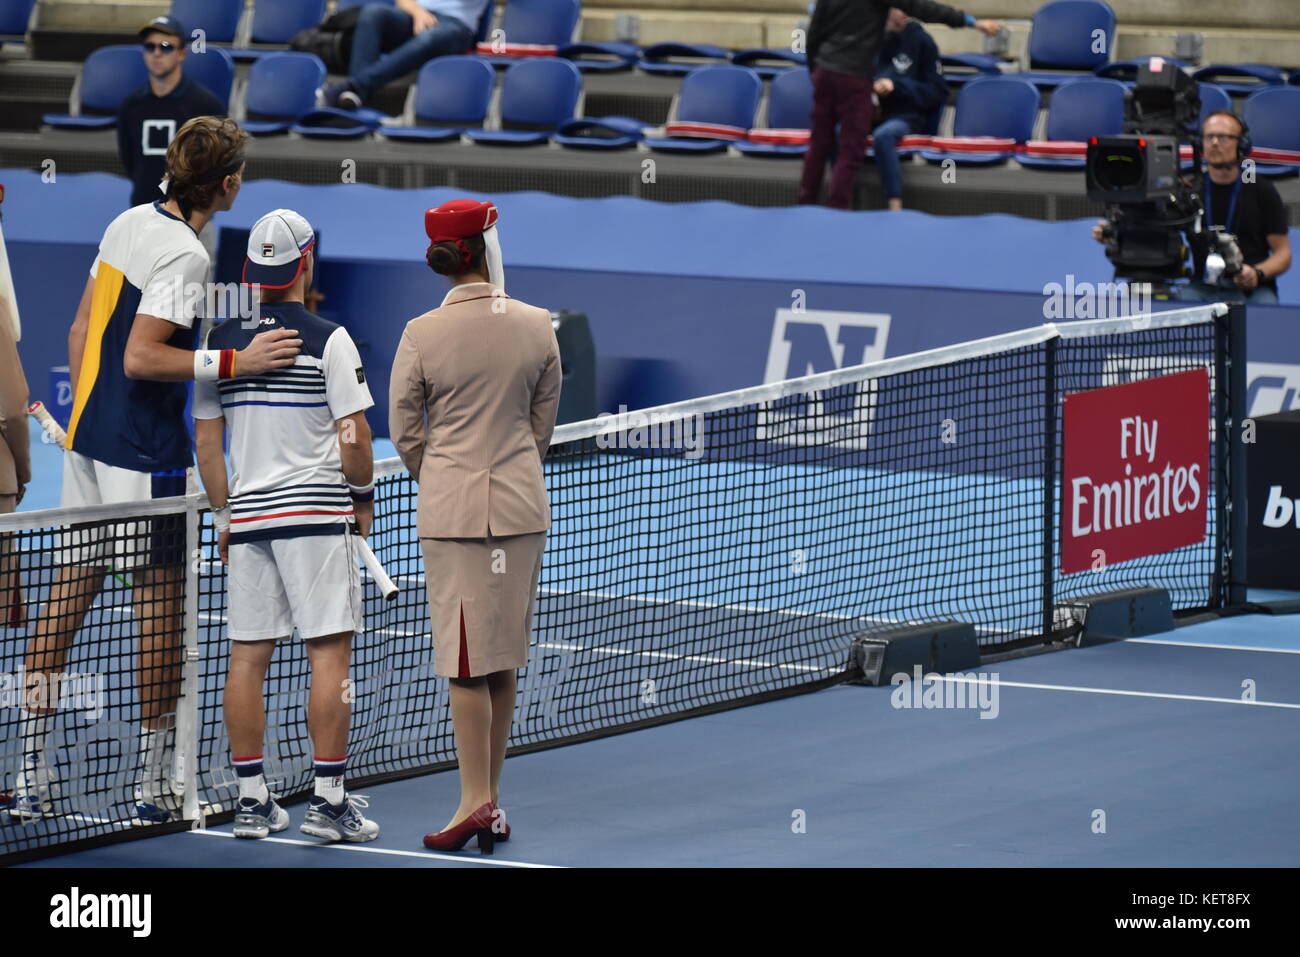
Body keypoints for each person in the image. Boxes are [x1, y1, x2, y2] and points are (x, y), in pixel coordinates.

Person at [13, 117, 301, 824]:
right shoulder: (187, 255)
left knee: (65, 602)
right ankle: (155, 784)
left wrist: (87, 420)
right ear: (228, 183)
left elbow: (84, 331)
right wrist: (235, 360)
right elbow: (143, 356)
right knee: (159, 612)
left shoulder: (128, 222)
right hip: (143, 457)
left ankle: (29, 774)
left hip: (87, 444)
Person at [193, 209, 380, 843]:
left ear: (254, 273)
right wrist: (361, 498)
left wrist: (223, 513)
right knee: (328, 652)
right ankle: (327, 804)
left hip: (246, 520)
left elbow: (207, 444)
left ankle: (251, 802)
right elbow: (354, 437)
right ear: (306, 265)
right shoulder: (332, 339)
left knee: (247, 657)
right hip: (317, 521)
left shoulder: (220, 345)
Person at [389, 199, 560, 854]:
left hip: (454, 515)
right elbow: (541, 423)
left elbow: (406, 431)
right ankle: (490, 800)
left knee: (466, 661)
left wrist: (443, 475)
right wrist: (510, 465)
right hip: (520, 508)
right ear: (484, 249)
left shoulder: (419, 334)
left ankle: (473, 802)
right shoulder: (537, 323)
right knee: (503, 655)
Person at [801, 0, 1001, 210]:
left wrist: (815, 71)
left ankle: (807, 205)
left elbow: (814, 35)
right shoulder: (881, 30)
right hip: (854, 76)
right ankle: (837, 209)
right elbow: (923, 8)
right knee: (848, 145)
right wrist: (971, 22)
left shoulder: (919, 40)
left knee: (820, 142)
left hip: (828, 71)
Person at [1090, 111, 1292, 303]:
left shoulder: (1261, 190)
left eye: (1223, 137)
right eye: (1209, 137)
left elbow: (1283, 254)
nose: (1214, 143)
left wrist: (1257, 273)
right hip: (1201, 287)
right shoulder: (1188, 190)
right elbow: (1154, 224)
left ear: (1242, 145)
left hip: (1252, 289)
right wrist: (1114, 231)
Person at [118, 15, 226, 209]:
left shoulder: (206, 106)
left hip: (192, 215)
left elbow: (218, 164)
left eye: (166, 46)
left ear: (182, 54)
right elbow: (129, 161)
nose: (157, 53)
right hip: (142, 210)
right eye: (150, 47)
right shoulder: (131, 105)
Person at [321, 0, 488, 109]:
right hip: (416, 16)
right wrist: (418, 13)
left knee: (428, 38)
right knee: (372, 12)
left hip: (457, 26)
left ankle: (355, 87)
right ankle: (353, 95)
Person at [872, 8, 948, 211]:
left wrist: (896, 86)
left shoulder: (923, 41)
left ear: (902, 13)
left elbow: (937, 91)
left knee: (884, 136)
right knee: (839, 130)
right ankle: (841, 204)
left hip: (907, 116)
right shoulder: (876, 39)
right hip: (874, 112)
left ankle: (895, 206)